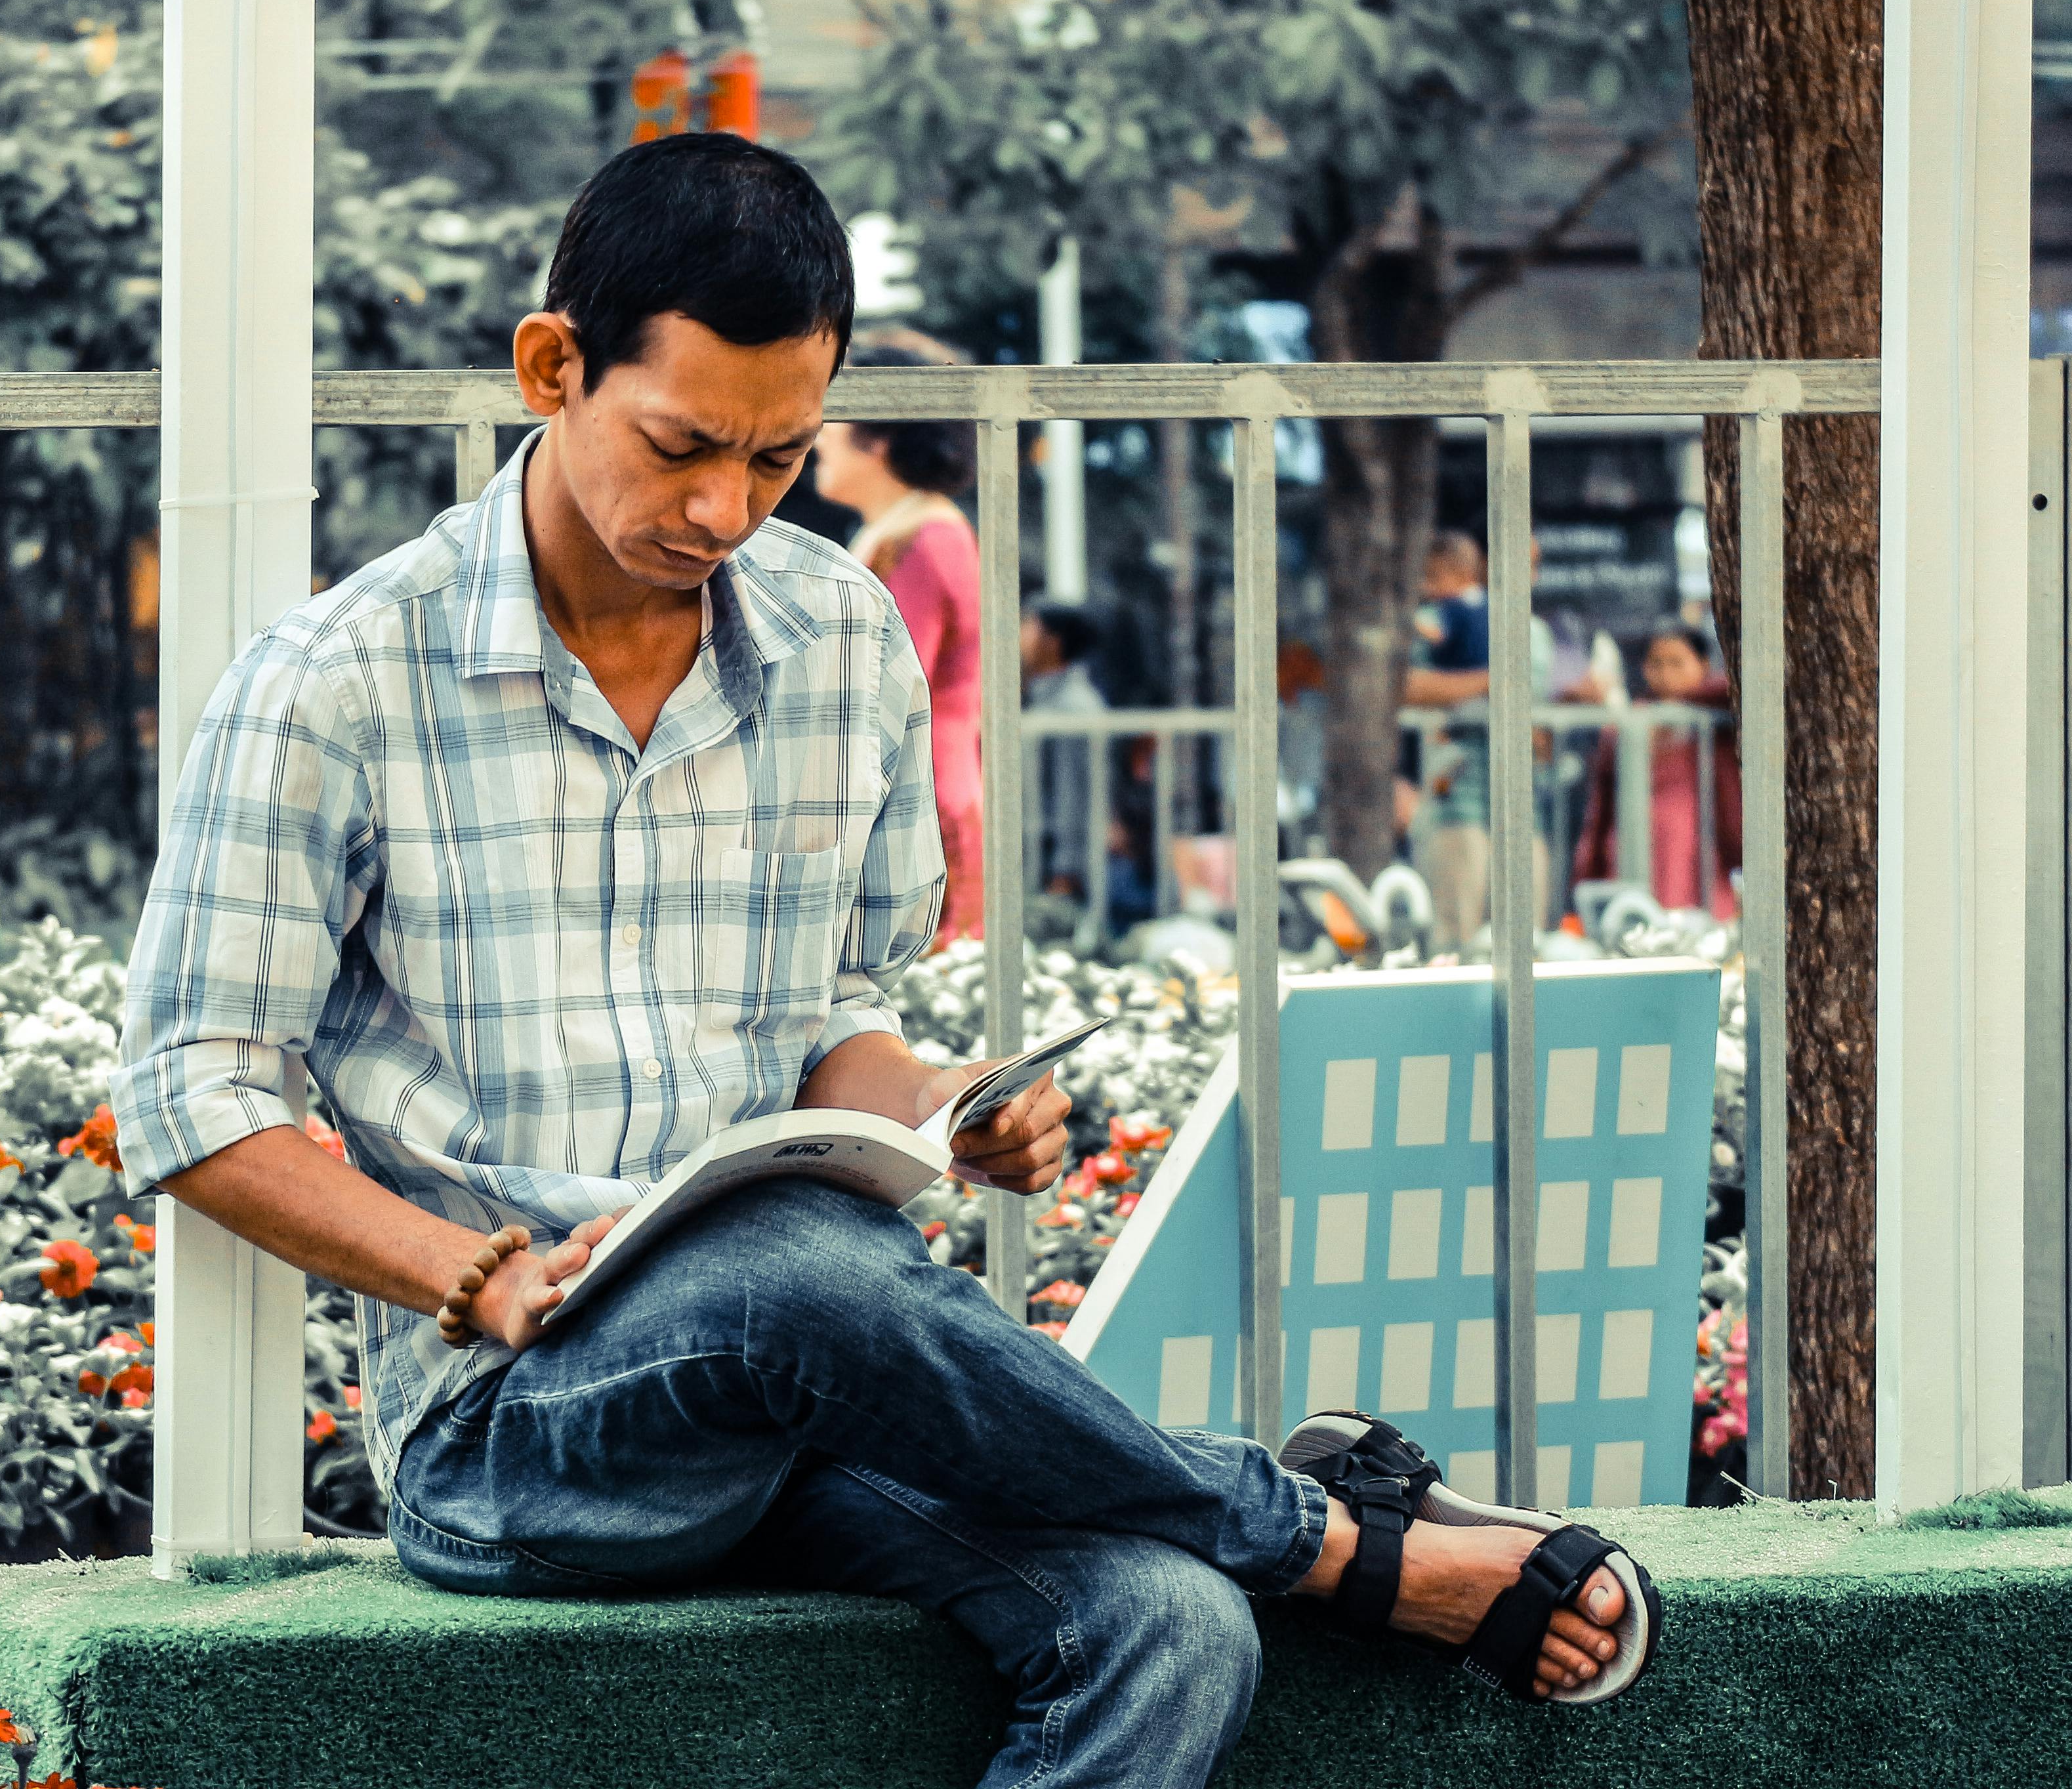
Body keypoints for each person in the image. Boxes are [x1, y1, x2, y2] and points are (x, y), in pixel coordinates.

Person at [115, 134, 1651, 1789]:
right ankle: (1335, 1544)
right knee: (787, 1259)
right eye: (681, 446)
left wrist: (934, 1110)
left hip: (806, 1402)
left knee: (1167, 1627)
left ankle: (1258, 1551)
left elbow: (835, 1023)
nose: (721, 508)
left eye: (777, 458)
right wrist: (464, 1271)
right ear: (551, 369)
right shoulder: (334, 681)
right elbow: (189, 1092)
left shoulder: (838, 632)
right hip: (520, 1423)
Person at [814, 332, 984, 942]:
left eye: (833, 410)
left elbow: (876, 696)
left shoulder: (921, 539)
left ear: (879, 434)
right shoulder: (910, 529)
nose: (817, 431)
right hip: (921, 802)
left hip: (916, 815)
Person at [1403, 531, 1554, 954]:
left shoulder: (1536, 631)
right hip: (1457, 798)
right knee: (1456, 936)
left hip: (1523, 800)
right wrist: (1495, 680)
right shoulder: (1447, 616)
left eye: (1533, 565)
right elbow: (1412, 686)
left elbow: (1533, 701)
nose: (1528, 575)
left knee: (1526, 940)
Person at [1571, 621, 1742, 918]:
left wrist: (1677, 705)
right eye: (1657, 663)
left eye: (1677, 663)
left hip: (1694, 848)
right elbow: (1602, 803)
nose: (1666, 674)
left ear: (1703, 665)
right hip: (1631, 844)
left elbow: (1733, 687)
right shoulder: (1628, 722)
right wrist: (1590, 866)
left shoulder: (1713, 717)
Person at [1022, 600, 1108, 905]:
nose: (1020, 636)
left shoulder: (1072, 707)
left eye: (1028, 626)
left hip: (1056, 871)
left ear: (1053, 641)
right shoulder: (1048, 700)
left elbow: (1075, 792)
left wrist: (1066, 867)